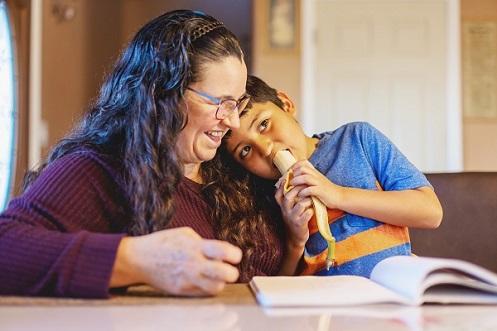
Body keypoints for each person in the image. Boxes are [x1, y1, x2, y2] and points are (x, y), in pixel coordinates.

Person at [0, 10, 285, 299]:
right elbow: (6, 249)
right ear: (164, 95)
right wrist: (135, 261)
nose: (232, 121)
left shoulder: (230, 164)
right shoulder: (99, 171)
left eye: (237, 103)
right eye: (220, 103)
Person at [221, 75, 443, 277]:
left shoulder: (357, 139)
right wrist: (295, 241)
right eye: (245, 151)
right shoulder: (268, 199)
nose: (265, 148)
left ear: (286, 104)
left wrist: (338, 196)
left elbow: (430, 213)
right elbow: (283, 288)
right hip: (325, 314)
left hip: (392, 299)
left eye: (263, 124)